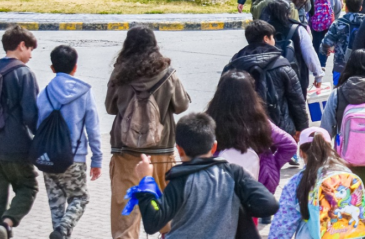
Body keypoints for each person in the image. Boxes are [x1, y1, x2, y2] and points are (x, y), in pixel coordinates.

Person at [126, 113, 279, 239]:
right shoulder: (233, 174)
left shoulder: (181, 180)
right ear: (214, 146)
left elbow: (153, 222)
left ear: (179, 150)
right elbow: (269, 205)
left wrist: (146, 181)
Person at [106, 26, 191, 239]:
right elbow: (181, 105)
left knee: (125, 212)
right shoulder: (167, 73)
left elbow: (110, 108)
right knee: (166, 207)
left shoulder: (119, 73)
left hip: (125, 151)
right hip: (161, 150)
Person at [206, 70, 297, 229]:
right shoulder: (260, 122)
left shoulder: (210, 119)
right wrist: (273, 163)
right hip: (253, 186)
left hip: (219, 187)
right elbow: (289, 145)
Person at [320, 50, 365, 239]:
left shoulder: (338, 93)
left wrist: (323, 162)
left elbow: (325, 129)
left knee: (342, 203)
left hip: (342, 161)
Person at [0, 26, 39, 239]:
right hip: (14, 145)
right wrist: (41, 141)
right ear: (21, 45)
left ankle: (2, 229)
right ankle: (8, 222)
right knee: (28, 186)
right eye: (30, 49)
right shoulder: (23, 73)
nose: (31, 55)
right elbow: (31, 115)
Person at [36, 45, 102, 239]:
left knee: (56, 205)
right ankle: (63, 229)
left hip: (48, 158)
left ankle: (59, 230)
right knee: (80, 198)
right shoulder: (84, 93)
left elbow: (37, 125)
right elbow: (93, 129)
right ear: (75, 67)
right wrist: (97, 159)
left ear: (52, 68)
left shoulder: (44, 93)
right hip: (74, 158)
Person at [268, 128, 365, 239]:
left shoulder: (297, 182)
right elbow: (364, 204)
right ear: (331, 148)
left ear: (301, 153)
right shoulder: (347, 174)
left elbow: (282, 226)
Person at [223, 20, 309, 138]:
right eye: (273, 37)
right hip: (281, 132)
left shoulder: (233, 66)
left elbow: (223, 100)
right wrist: (302, 129)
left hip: (243, 132)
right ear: (266, 38)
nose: (274, 41)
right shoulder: (283, 66)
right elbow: (297, 101)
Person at [263, 0, 324, 95]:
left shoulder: (263, 29)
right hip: (297, 79)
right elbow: (309, 54)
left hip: (269, 82)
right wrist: (318, 75)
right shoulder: (298, 29)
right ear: (288, 13)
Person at [321, 0, 365, 86]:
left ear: (346, 8)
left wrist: (325, 51)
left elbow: (326, 42)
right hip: (363, 64)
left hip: (341, 64)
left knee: (338, 90)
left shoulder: (338, 23)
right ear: (360, 8)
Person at [307, 0, 343, 68]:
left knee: (316, 41)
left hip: (315, 23)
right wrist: (334, 19)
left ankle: (315, 62)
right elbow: (338, 9)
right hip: (329, 23)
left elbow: (308, 8)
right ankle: (322, 63)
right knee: (326, 42)